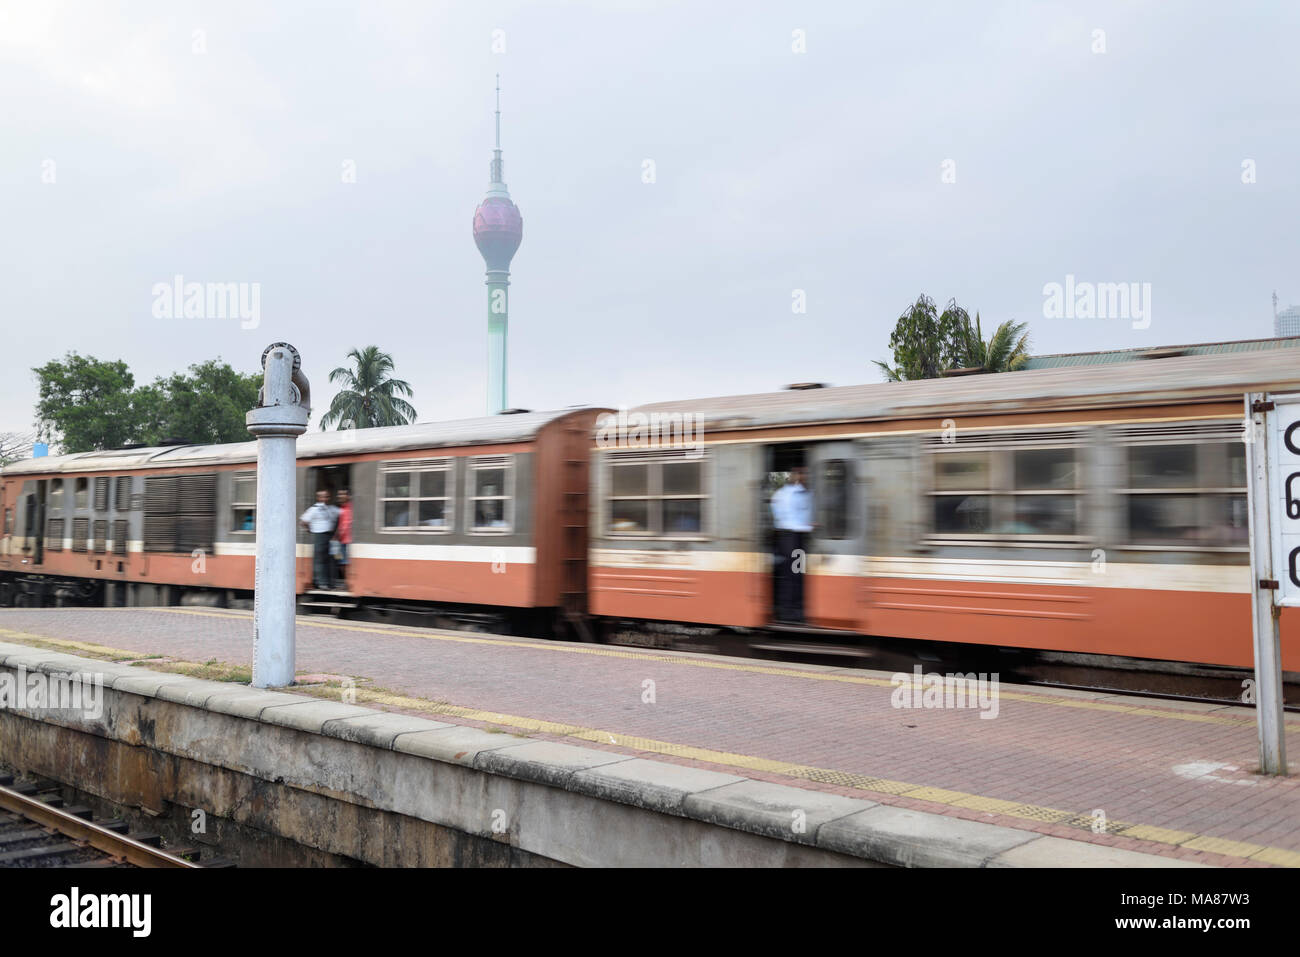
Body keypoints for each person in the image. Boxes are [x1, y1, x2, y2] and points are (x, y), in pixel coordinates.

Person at [771, 466, 814, 623]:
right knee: (793, 574)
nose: (805, 476)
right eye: (802, 473)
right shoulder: (786, 494)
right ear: (795, 475)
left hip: (796, 538)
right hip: (791, 537)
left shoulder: (807, 493)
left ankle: (795, 609)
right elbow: (787, 520)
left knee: (797, 574)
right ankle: (789, 612)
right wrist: (810, 526)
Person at [300, 490, 339, 590]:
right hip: (319, 535)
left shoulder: (331, 508)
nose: (325, 499)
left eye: (327, 496)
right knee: (320, 560)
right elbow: (304, 521)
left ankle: (329, 582)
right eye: (323, 497)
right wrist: (311, 530)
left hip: (329, 536)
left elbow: (341, 513)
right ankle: (320, 582)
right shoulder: (314, 509)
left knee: (330, 558)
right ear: (318, 498)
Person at [334, 489, 353, 588]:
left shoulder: (352, 508)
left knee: (347, 562)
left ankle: (349, 582)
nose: (339, 496)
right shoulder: (341, 508)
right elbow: (340, 524)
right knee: (341, 561)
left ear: (348, 496)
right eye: (339, 494)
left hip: (349, 540)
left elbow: (348, 523)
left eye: (342, 494)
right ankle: (345, 581)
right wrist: (336, 536)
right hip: (341, 541)